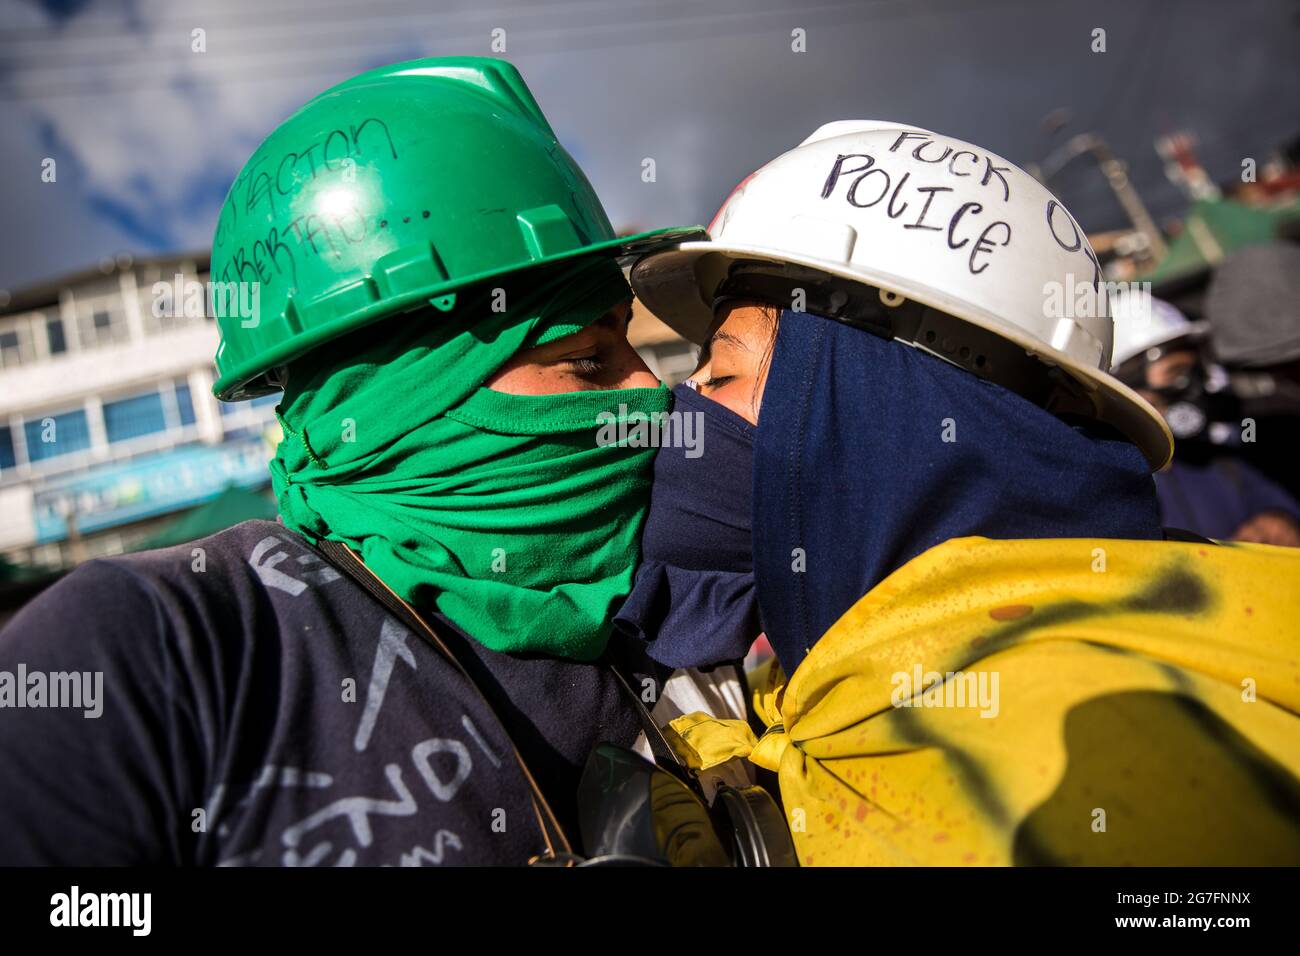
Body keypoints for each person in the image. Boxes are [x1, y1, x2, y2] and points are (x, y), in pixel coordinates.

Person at [0, 57, 716, 866]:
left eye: (632, 341)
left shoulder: (686, 617)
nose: (652, 395)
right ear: (398, 399)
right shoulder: (150, 653)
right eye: (588, 359)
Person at [622, 121, 1300, 865]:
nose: (681, 406)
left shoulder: (1094, 771)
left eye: (719, 372)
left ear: (880, 400)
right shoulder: (843, 682)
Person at [1110, 293, 1300, 544]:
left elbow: (1271, 501)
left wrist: (1280, 520)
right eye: (1175, 373)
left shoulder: (1216, 460)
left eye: (1194, 369)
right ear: (1125, 388)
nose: (1195, 384)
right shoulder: (1115, 486)